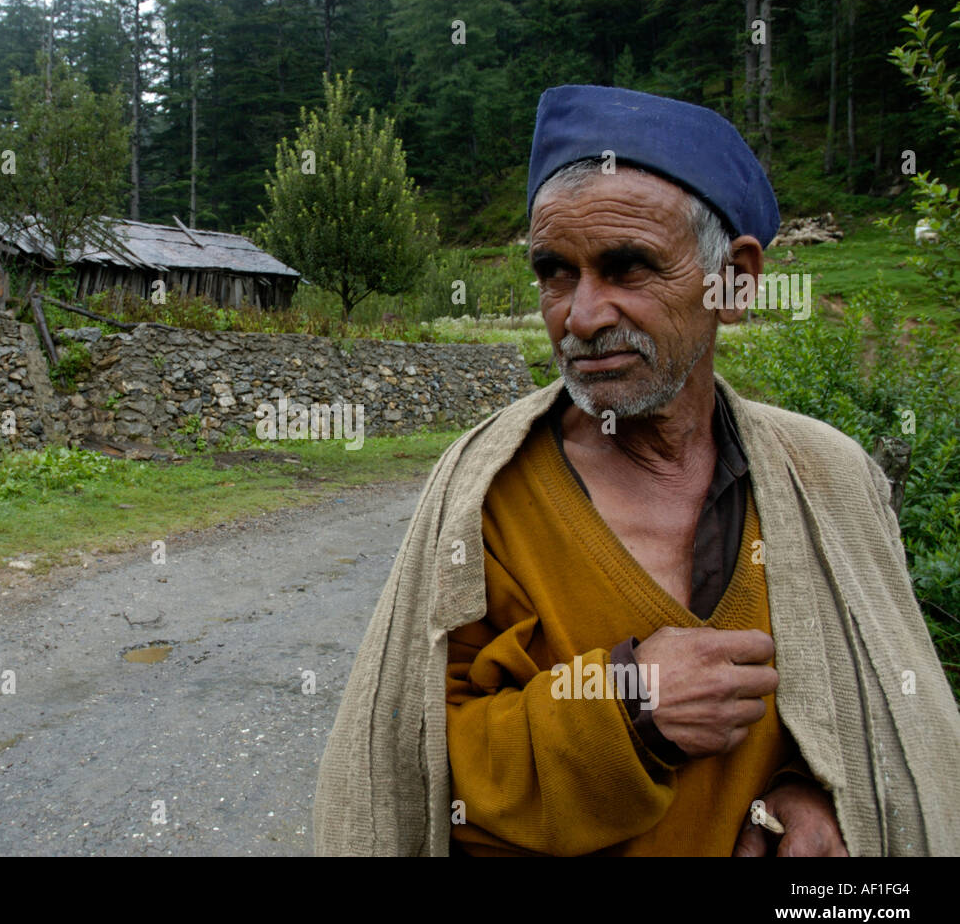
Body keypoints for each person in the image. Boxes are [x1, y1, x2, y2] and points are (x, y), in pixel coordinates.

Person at [313, 84, 960, 857]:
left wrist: (813, 791)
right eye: (556, 273)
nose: (582, 316)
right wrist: (628, 708)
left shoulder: (827, 479)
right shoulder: (486, 497)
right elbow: (419, 774)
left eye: (628, 268)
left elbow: (875, 720)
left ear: (737, 281)